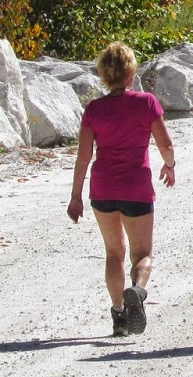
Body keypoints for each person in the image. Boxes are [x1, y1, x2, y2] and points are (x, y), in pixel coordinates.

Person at [67, 42, 175, 337]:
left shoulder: (94, 109)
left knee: (114, 253)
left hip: (102, 188)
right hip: (136, 187)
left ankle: (118, 315)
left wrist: (75, 196)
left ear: (104, 75)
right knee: (142, 254)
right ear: (131, 74)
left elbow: (83, 156)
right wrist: (170, 166)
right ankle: (138, 292)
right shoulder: (146, 103)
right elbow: (165, 144)